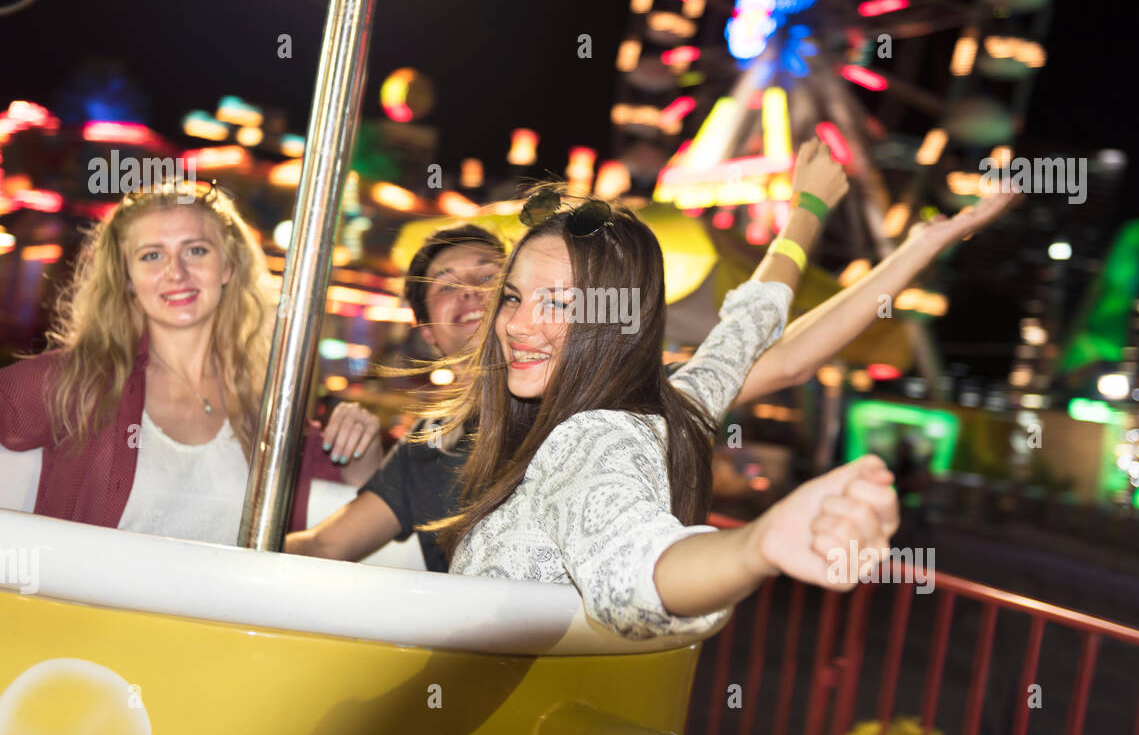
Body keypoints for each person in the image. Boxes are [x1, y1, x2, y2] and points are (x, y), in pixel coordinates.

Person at [288, 139, 1017, 570]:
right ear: (426, 329)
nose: (478, 296)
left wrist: (913, 241)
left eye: (496, 278)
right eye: (447, 288)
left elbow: (774, 345)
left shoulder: (628, 409)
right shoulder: (430, 450)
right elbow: (324, 548)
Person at [0, 181, 380, 542]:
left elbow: (355, 484)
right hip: (87, 643)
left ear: (228, 267)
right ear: (127, 279)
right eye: (152, 255)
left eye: (196, 250)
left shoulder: (265, 409)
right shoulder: (82, 380)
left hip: (221, 645)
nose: (176, 273)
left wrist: (361, 437)